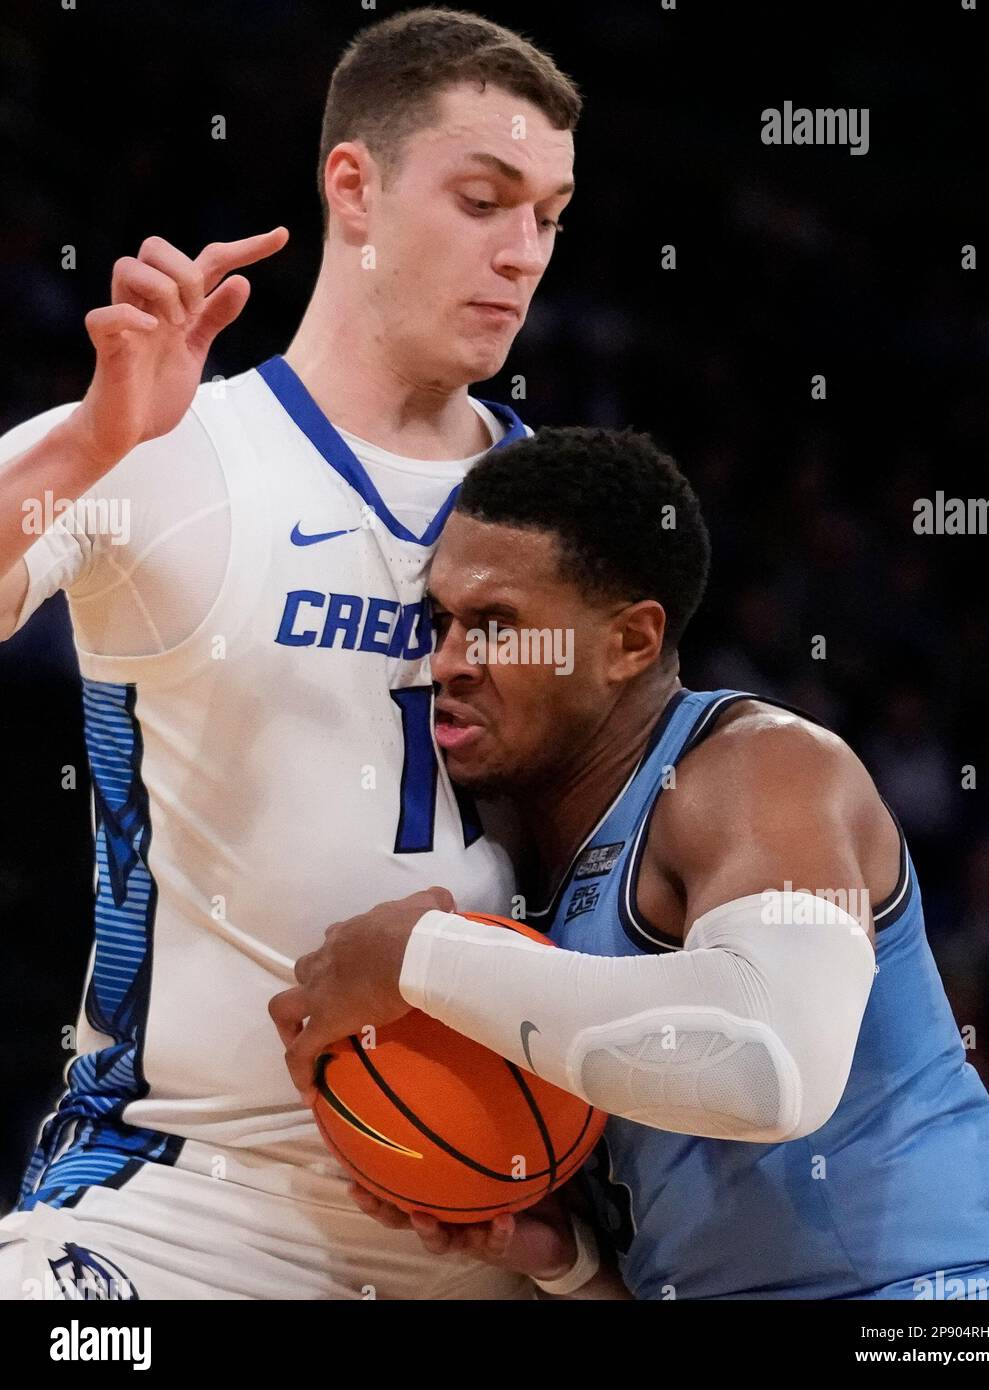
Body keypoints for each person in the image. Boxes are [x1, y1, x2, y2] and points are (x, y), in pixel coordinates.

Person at [0, 8, 578, 1300]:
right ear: (354, 187)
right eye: (485, 200)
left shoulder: (568, 514)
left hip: (495, 1211)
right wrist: (89, 447)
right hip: (182, 1202)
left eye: (549, 213)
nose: (522, 253)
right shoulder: (170, 445)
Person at [274, 425, 989, 1300]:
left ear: (631, 642)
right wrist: (564, 1261)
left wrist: (417, 960)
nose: (447, 663)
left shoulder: (763, 770)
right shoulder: (525, 867)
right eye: (441, 622)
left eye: (496, 626)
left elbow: (770, 1069)